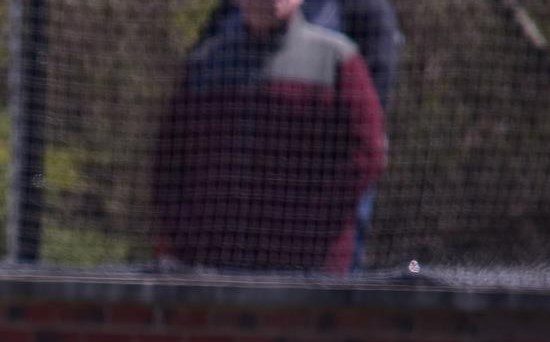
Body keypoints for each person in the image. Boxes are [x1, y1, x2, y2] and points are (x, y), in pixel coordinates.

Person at [153, 0, 386, 274]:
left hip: (311, 270)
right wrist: (184, 235)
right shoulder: (206, 64)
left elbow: (366, 152)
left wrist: (312, 223)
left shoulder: (337, 59)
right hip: (212, 268)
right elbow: (169, 161)